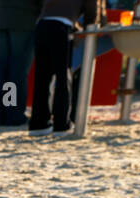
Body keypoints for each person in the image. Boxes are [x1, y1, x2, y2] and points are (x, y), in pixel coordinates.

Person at [29, 0, 103, 134]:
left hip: (42, 24)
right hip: (62, 27)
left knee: (42, 77)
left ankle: (39, 123)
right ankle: (62, 124)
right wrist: (88, 28)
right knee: (63, 76)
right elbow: (91, 12)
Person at [0, 0, 43, 126]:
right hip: (24, 20)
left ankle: (2, 114)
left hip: (3, 18)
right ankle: (14, 114)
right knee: (17, 71)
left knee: (4, 70)